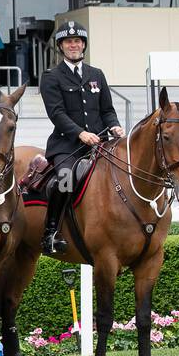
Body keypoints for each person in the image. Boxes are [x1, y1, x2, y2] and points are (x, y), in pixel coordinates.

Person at [38, 21, 123, 256]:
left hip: (100, 143)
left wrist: (114, 126)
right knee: (64, 179)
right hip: (68, 145)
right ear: (61, 47)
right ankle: (51, 232)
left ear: (83, 45)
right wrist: (80, 133)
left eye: (77, 41)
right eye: (68, 42)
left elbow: (107, 109)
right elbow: (57, 114)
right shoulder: (51, 77)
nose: (73, 45)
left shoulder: (96, 74)